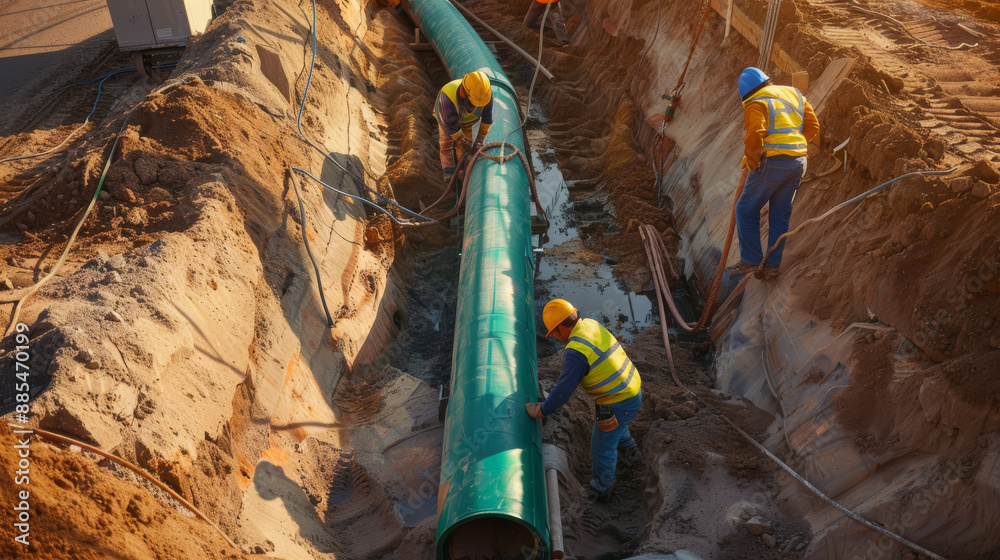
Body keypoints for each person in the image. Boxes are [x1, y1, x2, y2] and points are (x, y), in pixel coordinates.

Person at [525, 299, 643, 500]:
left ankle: (601, 489)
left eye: (554, 332)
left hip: (618, 399)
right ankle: (631, 454)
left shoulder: (575, 351)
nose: (554, 337)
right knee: (617, 425)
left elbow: (563, 390)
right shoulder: (589, 324)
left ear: (561, 326)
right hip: (630, 388)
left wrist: (543, 410)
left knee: (601, 445)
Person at [725, 67, 819, 279]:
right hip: (798, 163)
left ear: (746, 93)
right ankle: (771, 267)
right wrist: (795, 145)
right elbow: (813, 126)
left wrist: (752, 161)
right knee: (780, 214)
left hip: (772, 164)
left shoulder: (755, 102)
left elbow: (755, 134)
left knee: (745, 209)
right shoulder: (795, 94)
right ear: (768, 81)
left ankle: (751, 260)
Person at [432, 71, 493, 185]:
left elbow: (487, 118)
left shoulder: (485, 94)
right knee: (446, 143)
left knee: (466, 145)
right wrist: (461, 140)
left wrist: (480, 139)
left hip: (468, 118)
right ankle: (450, 173)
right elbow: (451, 127)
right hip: (447, 117)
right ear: (464, 93)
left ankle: (464, 169)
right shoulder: (448, 98)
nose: (478, 104)